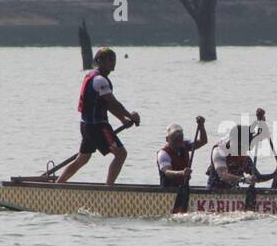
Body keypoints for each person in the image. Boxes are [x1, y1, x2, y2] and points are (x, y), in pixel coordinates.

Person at [57, 48, 140, 185]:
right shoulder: (100, 80)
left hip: (86, 125)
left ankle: (58, 185)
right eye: (109, 60)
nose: (112, 63)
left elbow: (107, 104)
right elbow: (113, 102)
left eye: (114, 60)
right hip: (97, 126)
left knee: (82, 159)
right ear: (99, 61)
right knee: (121, 154)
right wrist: (130, 115)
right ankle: (108, 190)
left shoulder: (92, 76)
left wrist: (122, 119)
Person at [206, 117, 273, 190]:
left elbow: (258, 178)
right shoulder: (220, 151)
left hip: (234, 193)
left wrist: (275, 174)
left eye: (245, 148)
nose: (241, 150)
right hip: (215, 192)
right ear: (231, 138)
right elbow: (223, 175)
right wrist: (243, 179)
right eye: (239, 146)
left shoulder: (245, 158)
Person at [157, 118, 208, 186]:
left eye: (180, 139)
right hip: (168, 190)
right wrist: (182, 173)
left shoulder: (185, 145)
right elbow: (167, 172)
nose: (178, 143)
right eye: (175, 140)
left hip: (184, 186)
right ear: (167, 139)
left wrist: (201, 126)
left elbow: (203, 141)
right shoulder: (163, 153)